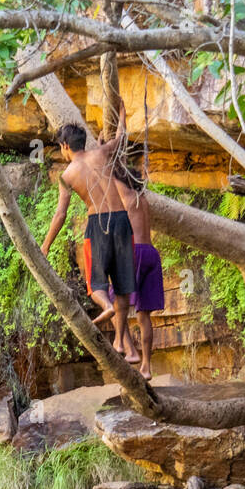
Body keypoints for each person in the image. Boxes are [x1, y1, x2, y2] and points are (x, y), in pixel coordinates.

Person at [40, 100, 137, 361]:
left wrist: (46, 245)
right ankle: (120, 343)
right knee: (124, 285)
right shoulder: (101, 154)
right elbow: (121, 138)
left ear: (64, 146)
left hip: (98, 224)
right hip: (121, 220)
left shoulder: (68, 175)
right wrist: (123, 114)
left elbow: (60, 214)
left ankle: (105, 307)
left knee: (97, 285)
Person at [101, 153, 163, 380]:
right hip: (150, 253)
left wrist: (105, 153)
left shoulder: (126, 195)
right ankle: (146, 367)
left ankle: (124, 345)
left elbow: (107, 175)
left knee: (113, 301)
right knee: (143, 315)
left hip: (134, 252)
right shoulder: (142, 199)